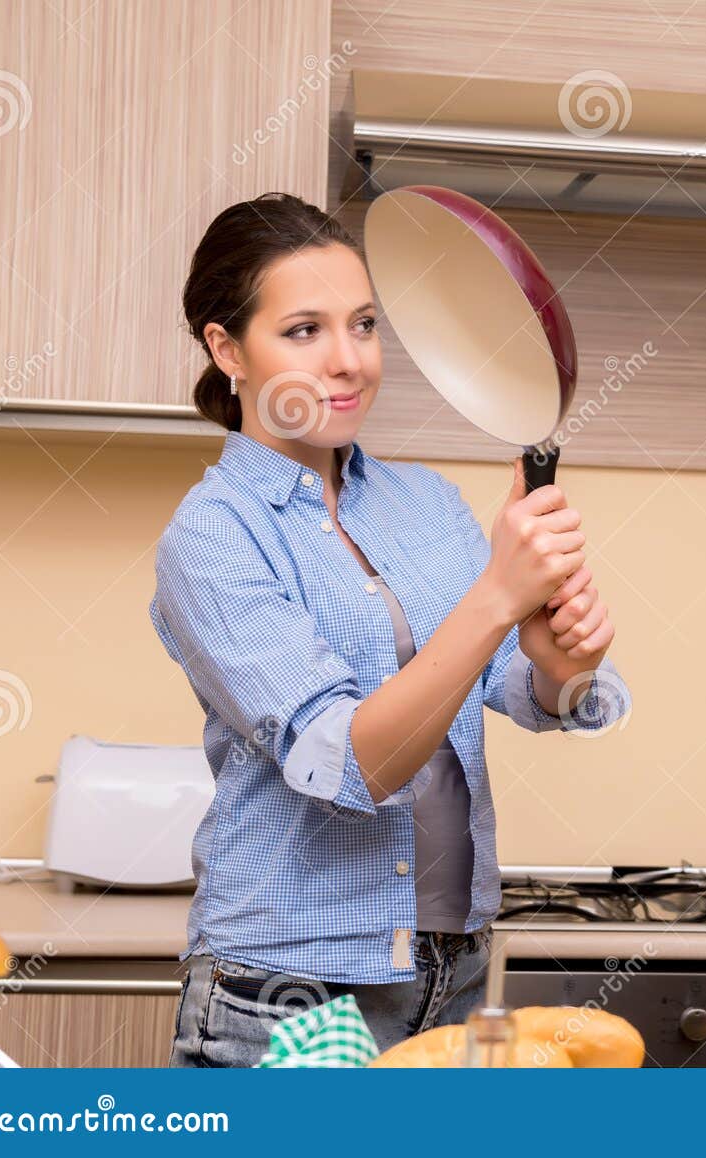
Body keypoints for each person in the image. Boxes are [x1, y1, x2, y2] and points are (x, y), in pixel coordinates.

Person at [153, 193, 627, 1066]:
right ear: (228, 350)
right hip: (289, 990)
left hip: (453, 969)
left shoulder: (427, 504)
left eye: (364, 324)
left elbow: (517, 688)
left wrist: (564, 664)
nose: (349, 361)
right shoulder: (213, 537)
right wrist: (497, 598)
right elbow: (345, 764)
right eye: (304, 331)